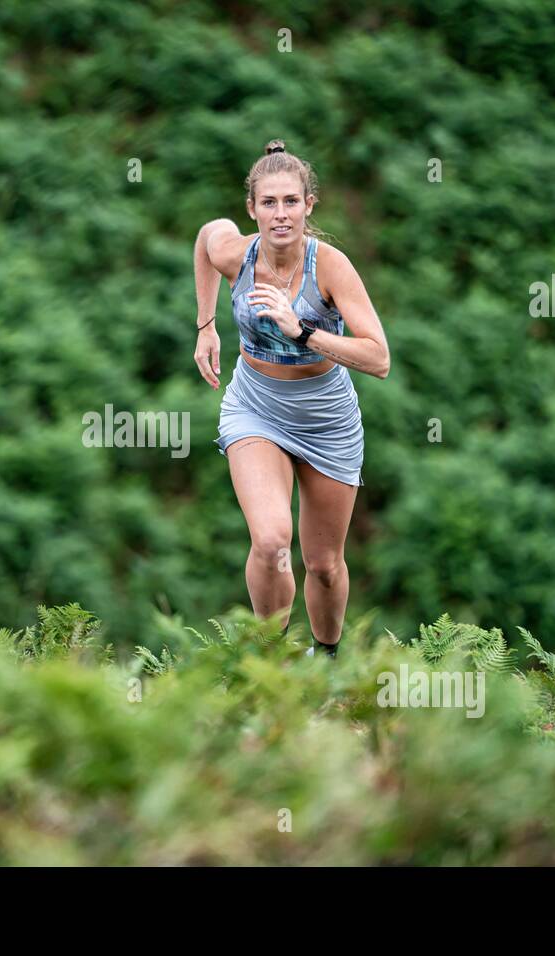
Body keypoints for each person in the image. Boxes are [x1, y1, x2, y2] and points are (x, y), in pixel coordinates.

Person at [192, 140, 390, 658]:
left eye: (291, 202)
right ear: (252, 209)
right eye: (269, 203)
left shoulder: (331, 268)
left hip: (327, 419)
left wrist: (301, 331)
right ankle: (272, 664)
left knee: (323, 565)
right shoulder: (239, 254)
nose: (281, 215)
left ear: (309, 205)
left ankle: (325, 660)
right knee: (272, 541)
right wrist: (206, 325)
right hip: (255, 407)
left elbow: (378, 358)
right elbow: (208, 236)